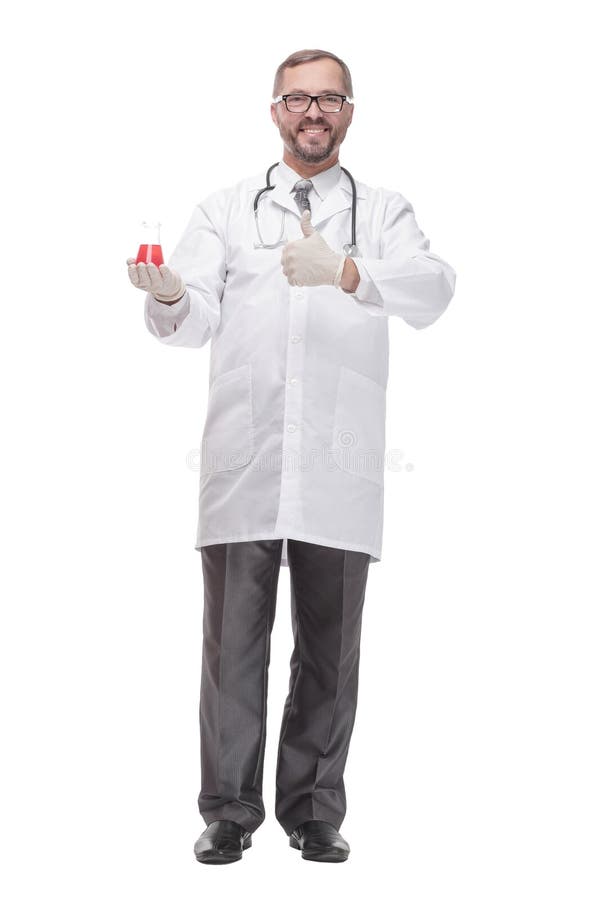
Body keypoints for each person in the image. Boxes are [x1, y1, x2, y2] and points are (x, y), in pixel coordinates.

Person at [127, 48, 456, 865]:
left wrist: (348, 271)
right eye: (298, 99)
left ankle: (312, 811)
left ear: (350, 112)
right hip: (244, 463)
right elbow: (194, 314)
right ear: (274, 109)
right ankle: (231, 812)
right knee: (231, 650)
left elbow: (435, 288)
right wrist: (169, 294)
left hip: (338, 471)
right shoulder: (228, 210)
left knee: (329, 651)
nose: (314, 112)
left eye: (330, 100)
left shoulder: (382, 212)